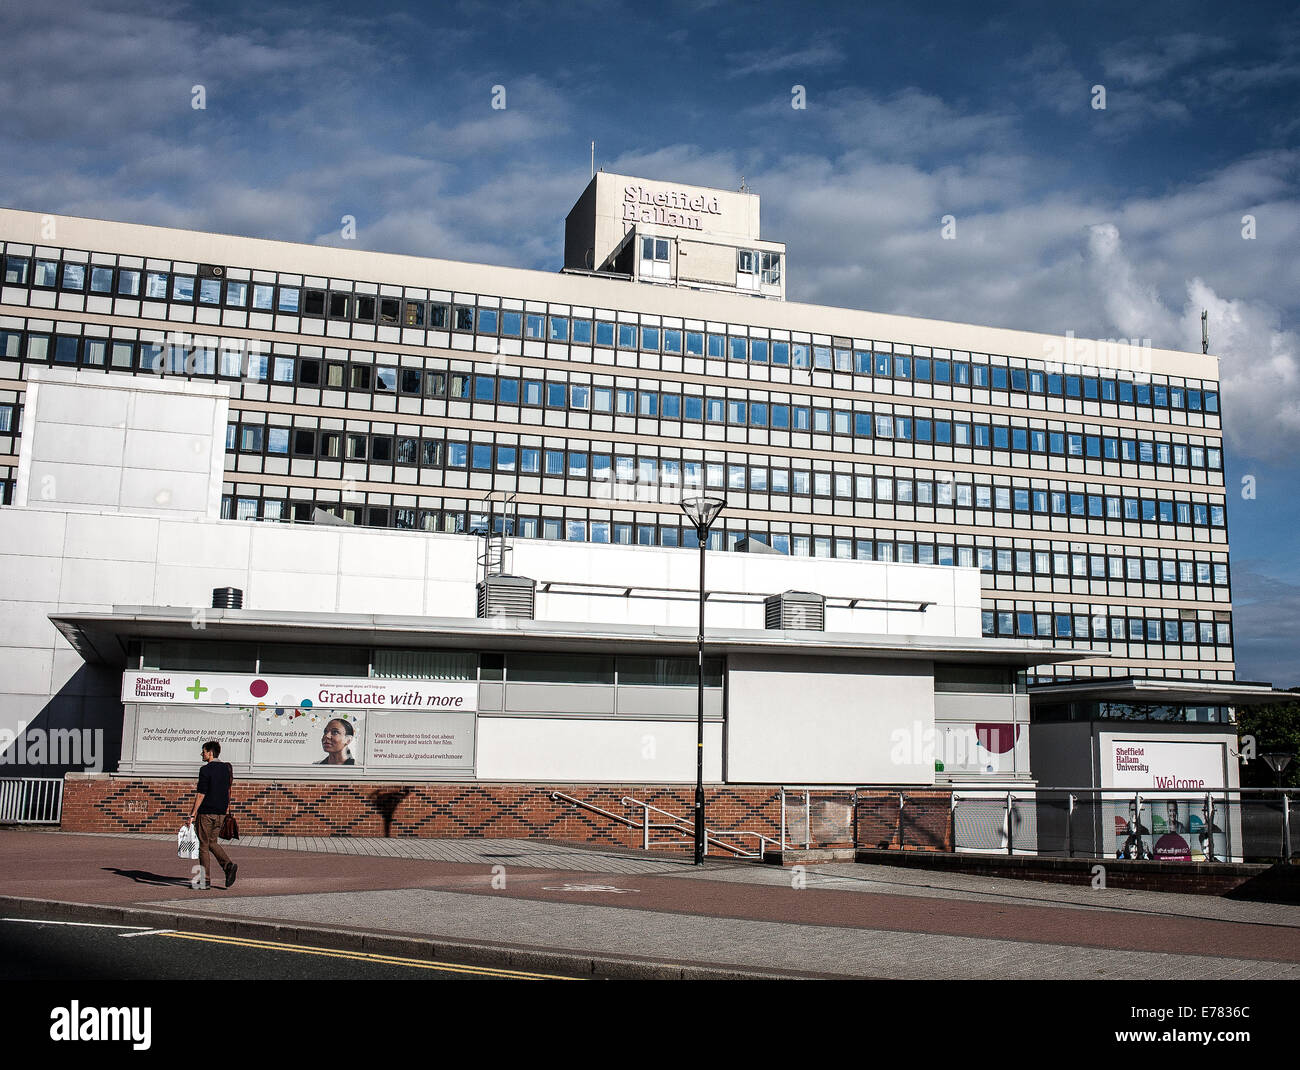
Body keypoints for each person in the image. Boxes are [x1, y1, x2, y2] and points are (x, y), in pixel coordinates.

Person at [186, 740, 237, 889]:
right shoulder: (226, 768)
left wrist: (192, 814)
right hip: (221, 813)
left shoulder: (205, 770)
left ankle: (205, 880)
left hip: (206, 812)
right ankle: (228, 866)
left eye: (203, 751)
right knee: (212, 842)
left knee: (203, 845)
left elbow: (201, 794)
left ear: (210, 753)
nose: (202, 754)